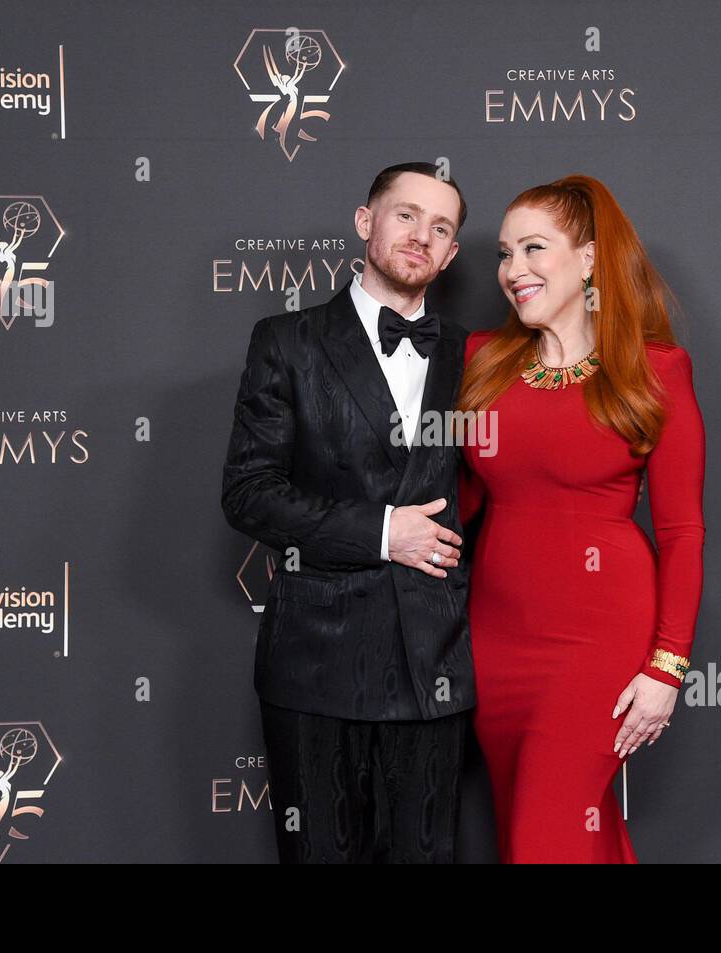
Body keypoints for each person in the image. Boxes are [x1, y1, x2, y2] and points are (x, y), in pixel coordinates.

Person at [221, 162, 475, 863]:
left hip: (438, 665)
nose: (420, 235)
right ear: (365, 222)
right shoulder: (287, 341)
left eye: (441, 227)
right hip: (314, 665)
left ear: (452, 254)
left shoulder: (478, 358)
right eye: (405, 215)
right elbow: (248, 491)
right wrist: (384, 531)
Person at [456, 174, 706, 863]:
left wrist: (666, 666)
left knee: (542, 839)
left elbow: (683, 532)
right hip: (495, 644)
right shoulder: (483, 360)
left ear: (591, 258)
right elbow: (458, 502)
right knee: (567, 836)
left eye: (534, 248)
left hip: (597, 646)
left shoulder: (655, 370)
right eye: (505, 254)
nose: (513, 270)